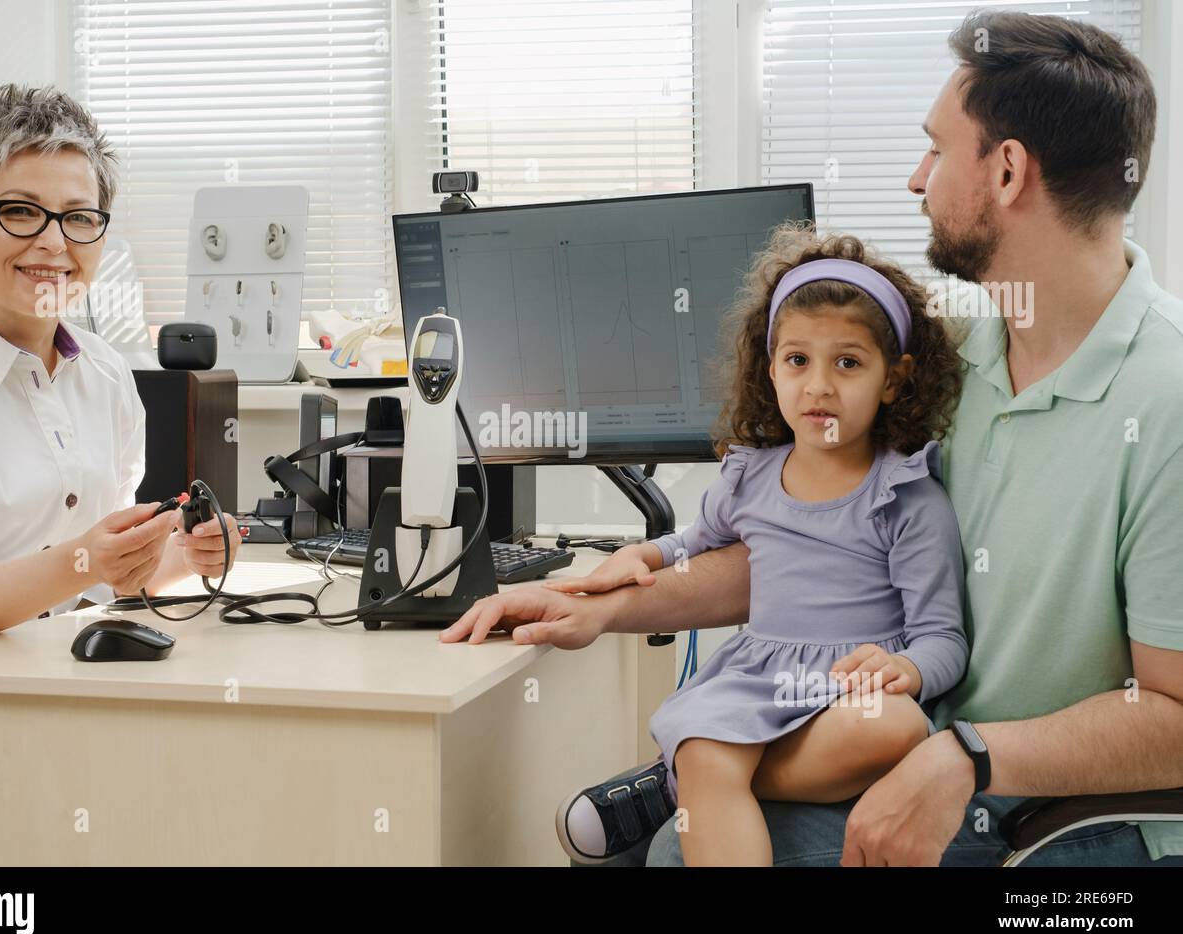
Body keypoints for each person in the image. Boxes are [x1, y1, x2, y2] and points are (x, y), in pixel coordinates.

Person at [440, 10, 1183, 866]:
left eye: (938, 151)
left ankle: (694, 766)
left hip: (1064, 817)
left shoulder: (1163, 401)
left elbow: (1172, 717)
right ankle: (702, 767)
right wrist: (593, 607)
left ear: (1008, 170)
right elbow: (807, 549)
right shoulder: (951, 364)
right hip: (913, 749)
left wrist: (968, 758)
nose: (916, 179)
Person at [544, 223, 969, 865]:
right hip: (758, 683)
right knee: (711, 749)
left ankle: (685, 780)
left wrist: (906, 669)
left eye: (847, 362)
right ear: (771, 368)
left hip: (851, 696)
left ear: (893, 378)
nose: (819, 386)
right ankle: (704, 774)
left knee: (902, 725)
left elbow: (943, 639)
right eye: (798, 360)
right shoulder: (750, 475)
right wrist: (645, 555)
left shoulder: (905, 496)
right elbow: (699, 539)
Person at [0, 85, 240, 638]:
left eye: (78, 218)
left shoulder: (105, 372)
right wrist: (86, 559)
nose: (54, 242)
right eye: (19, 211)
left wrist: (184, 556)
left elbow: (107, 582)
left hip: (75, 679)